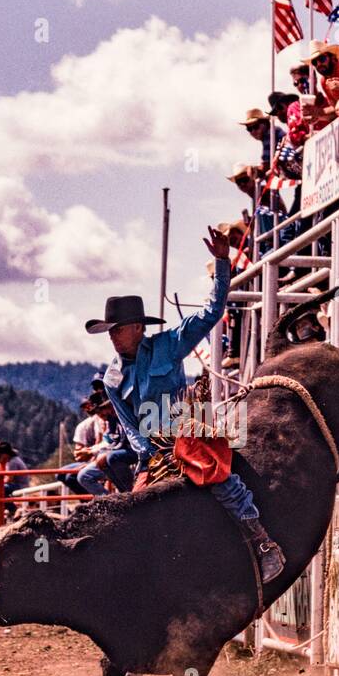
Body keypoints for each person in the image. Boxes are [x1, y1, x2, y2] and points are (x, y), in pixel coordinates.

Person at [87, 227, 286, 582]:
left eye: (118, 329)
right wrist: (148, 452)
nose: (114, 337)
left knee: (217, 476)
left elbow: (212, 313)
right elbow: (129, 425)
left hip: (186, 422)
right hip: (152, 442)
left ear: (137, 328)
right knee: (136, 501)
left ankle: (263, 545)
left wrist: (223, 263)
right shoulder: (111, 379)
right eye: (110, 331)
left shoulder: (169, 344)